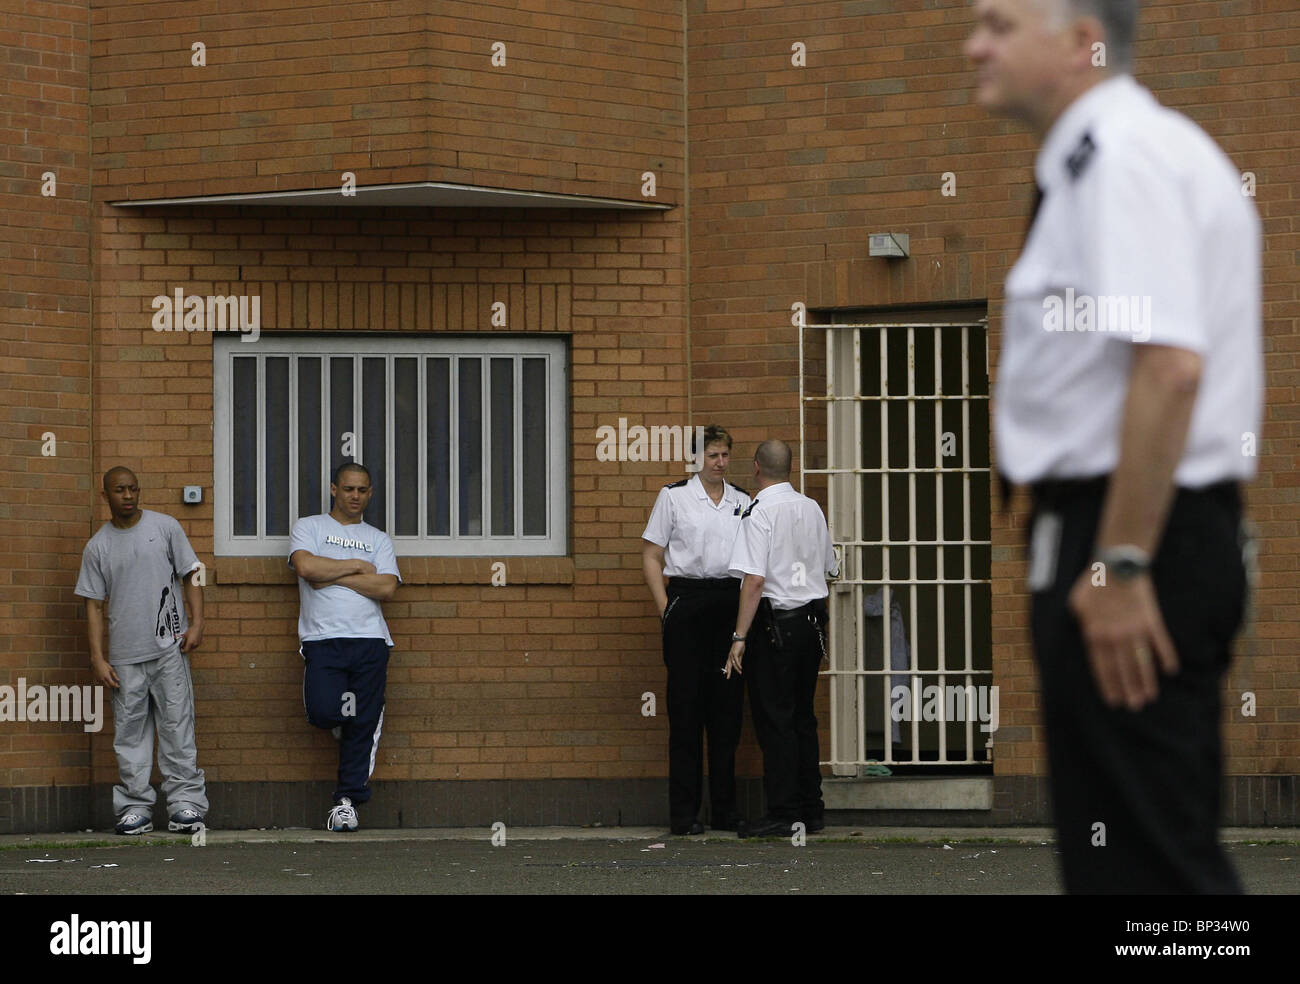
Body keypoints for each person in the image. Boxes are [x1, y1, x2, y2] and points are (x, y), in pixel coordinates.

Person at [967, 0, 1261, 892]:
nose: (974, 44)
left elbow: (1170, 367)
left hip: (1133, 534)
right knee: (1137, 862)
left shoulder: (1120, 157)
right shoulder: (1110, 157)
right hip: (1132, 531)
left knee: (1150, 874)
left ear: (1083, 41)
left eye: (1000, 23)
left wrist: (1123, 563)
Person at [75, 466, 208, 836]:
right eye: (120, 490)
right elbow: (92, 606)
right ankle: (135, 808)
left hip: (169, 649)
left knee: (177, 726)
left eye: (133, 488)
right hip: (123, 658)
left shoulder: (165, 528)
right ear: (106, 496)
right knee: (130, 734)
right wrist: (97, 658)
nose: (129, 495)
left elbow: (193, 572)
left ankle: (186, 805)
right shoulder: (98, 546)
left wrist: (197, 622)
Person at [724, 440, 839, 839]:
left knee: (776, 722)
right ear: (790, 467)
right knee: (803, 719)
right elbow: (829, 568)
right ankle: (812, 808)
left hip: (775, 627)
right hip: (810, 623)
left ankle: (784, 812)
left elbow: (754, 581)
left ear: (756, 468)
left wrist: (739, 637)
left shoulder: (759, 512)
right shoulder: (812, 508)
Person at [642, 425, 751, 835]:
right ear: (695, 459)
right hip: (686, 604)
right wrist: (665, 609)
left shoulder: (742, 501)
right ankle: (684, 815)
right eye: (712, 456)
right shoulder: (673, 497)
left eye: (724, 455)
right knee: (686, 712)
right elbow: (652, 555)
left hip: (728, 602)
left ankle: (724, 810)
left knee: (726, 714)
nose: (719, 463)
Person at [289, 462, 401, 832]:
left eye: (363, 490)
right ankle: (343, 719)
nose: (356, 496)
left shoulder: (378, 538)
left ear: (370, 493)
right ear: (334, 489)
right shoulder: (310, 526)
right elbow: (306, 568)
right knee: (324, 711)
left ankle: (346, 802)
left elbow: (385, 588)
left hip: (370, 640)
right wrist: (356, 566)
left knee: (364, 724)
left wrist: (332, 576)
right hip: (323, 639)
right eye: (349, 489)